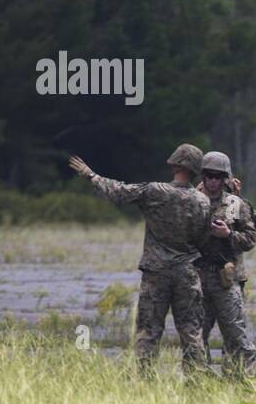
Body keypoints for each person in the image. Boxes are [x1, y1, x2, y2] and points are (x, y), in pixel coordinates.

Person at [68, 145, 212, 376]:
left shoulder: (156, 191)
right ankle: (196, 381)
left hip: (156, 273)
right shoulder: (203, 202)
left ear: (175, 164)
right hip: (187, 273)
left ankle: (145, 379)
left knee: (149, 330)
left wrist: (91, 175)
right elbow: (204, 240)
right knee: (191, 331)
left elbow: (119, 192)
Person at [196, 151, 256, 377]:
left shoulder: (235, 204)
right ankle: (199, 380)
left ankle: (241, 380)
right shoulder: (193, 201)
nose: (213, 181)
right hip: (199, 278)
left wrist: (228, 235)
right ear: (202, 176)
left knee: (235, 333)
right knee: (196, 335)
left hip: (227, 278)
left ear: (226, 178)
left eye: (218, 176)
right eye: (209, 175)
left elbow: (250, 239)